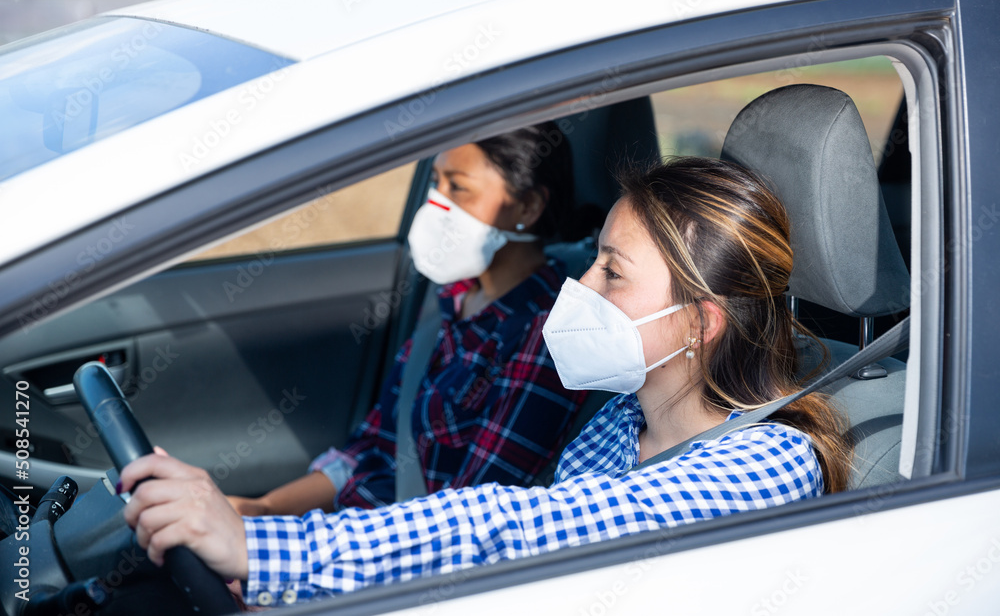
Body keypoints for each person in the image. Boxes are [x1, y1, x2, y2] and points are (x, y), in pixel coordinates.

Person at [121, 156, 851, 607]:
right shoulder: (622, 420)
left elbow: (516, 529)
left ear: (700, 323)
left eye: (612, 273)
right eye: (592, 259)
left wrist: (270, 550)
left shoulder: (766, 464)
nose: (581, 283)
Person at [227, 122, 588, 516]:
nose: (436, 202)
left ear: (528, 207)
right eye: (436, 182)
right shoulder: (449, 299)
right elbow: (370, 447)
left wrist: (290, 548)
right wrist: (261, 509)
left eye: (459, 188)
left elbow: (466, 518)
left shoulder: (545, 334)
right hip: (352, 525)